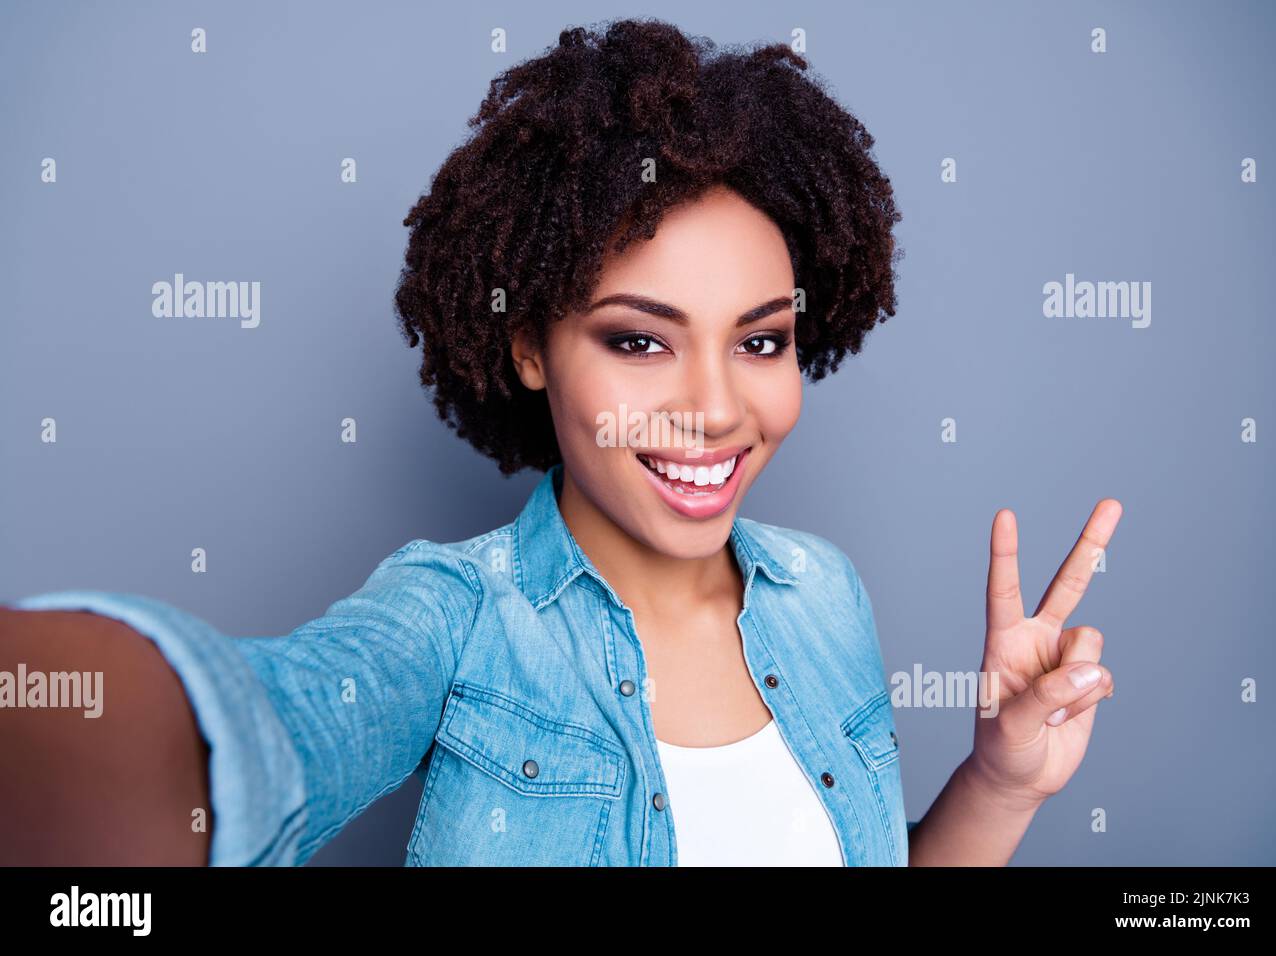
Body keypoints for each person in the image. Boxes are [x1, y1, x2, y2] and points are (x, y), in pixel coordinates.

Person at [0, 17, 1119, 866]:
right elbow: (261, 722)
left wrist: (999, 781)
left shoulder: (822, 591)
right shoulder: (454, 617)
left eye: (761, 341)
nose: (715, 406)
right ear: (531, 346)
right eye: (640, 341)